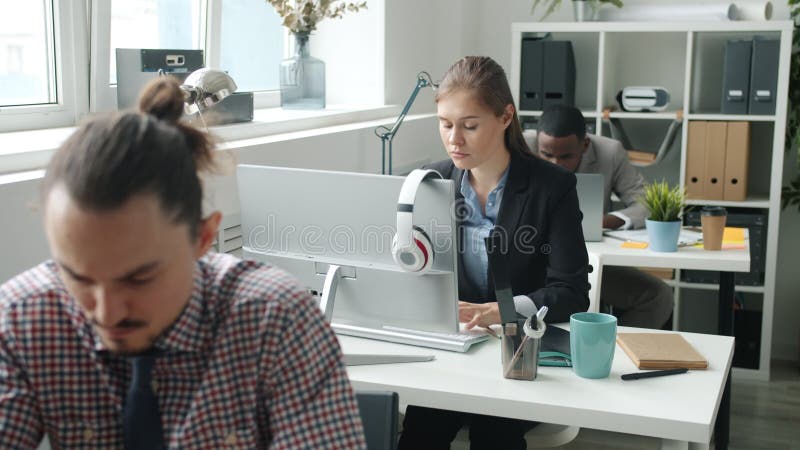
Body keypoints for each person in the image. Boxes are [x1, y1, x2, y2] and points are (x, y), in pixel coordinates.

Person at [0, 77, 366, 449]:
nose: (107, 313)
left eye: (139, 277)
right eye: (76, 276)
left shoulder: (276, 319)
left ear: (203, 239)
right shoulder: (20, 318)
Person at [397, 57, 589, 450]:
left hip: (519, 354)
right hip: (451, 352)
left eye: (469, 126)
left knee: (494, 436)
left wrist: (501, 309)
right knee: (420, 435)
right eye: (445, 124)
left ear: (505, 118)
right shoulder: (427, 185)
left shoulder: (552, 187)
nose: (454, 140)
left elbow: (571, 291)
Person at [527, 104, 674, 329]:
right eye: (546, 155)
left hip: (586, 262)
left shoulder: (610, 152)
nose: (556, 164)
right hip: (528, 260)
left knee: (657, 296)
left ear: (585, 145)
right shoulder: (520, 146)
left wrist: (603, 221)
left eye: (566, 156)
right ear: (537, 144)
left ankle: (610, 350)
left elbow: (647, 202)